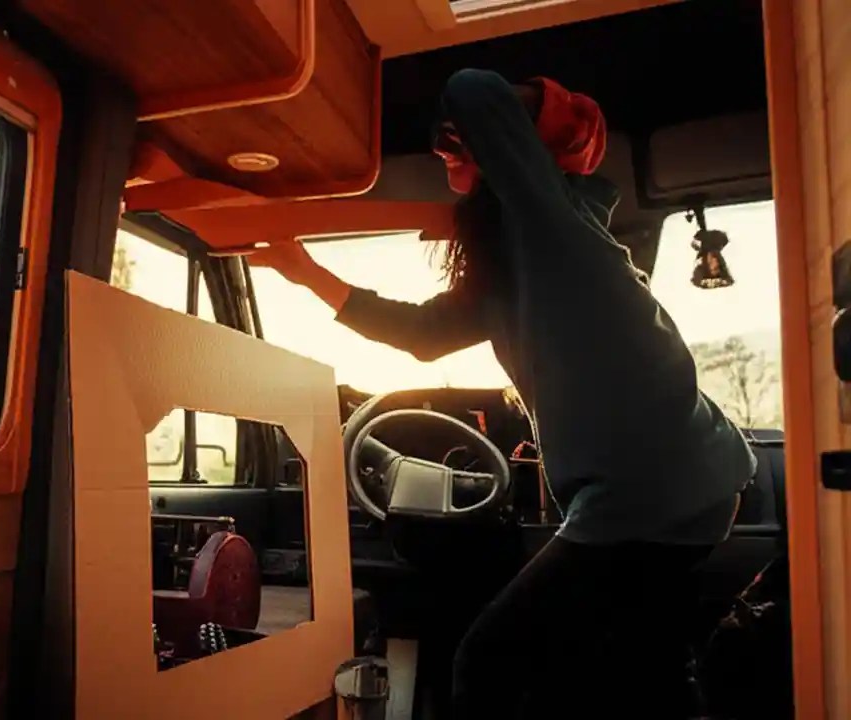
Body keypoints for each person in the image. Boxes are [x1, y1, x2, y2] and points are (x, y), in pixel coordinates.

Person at [250, 69, 757, 718]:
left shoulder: (556, 230)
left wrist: (542, 114)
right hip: (685, 486)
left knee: (486, 662)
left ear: (512, 151)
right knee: (642, 667)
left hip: (646, 495)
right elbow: (422, 334)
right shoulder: (519, 266)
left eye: (462, 144)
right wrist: (306, 272)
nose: (447, 153)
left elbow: (471, 87)